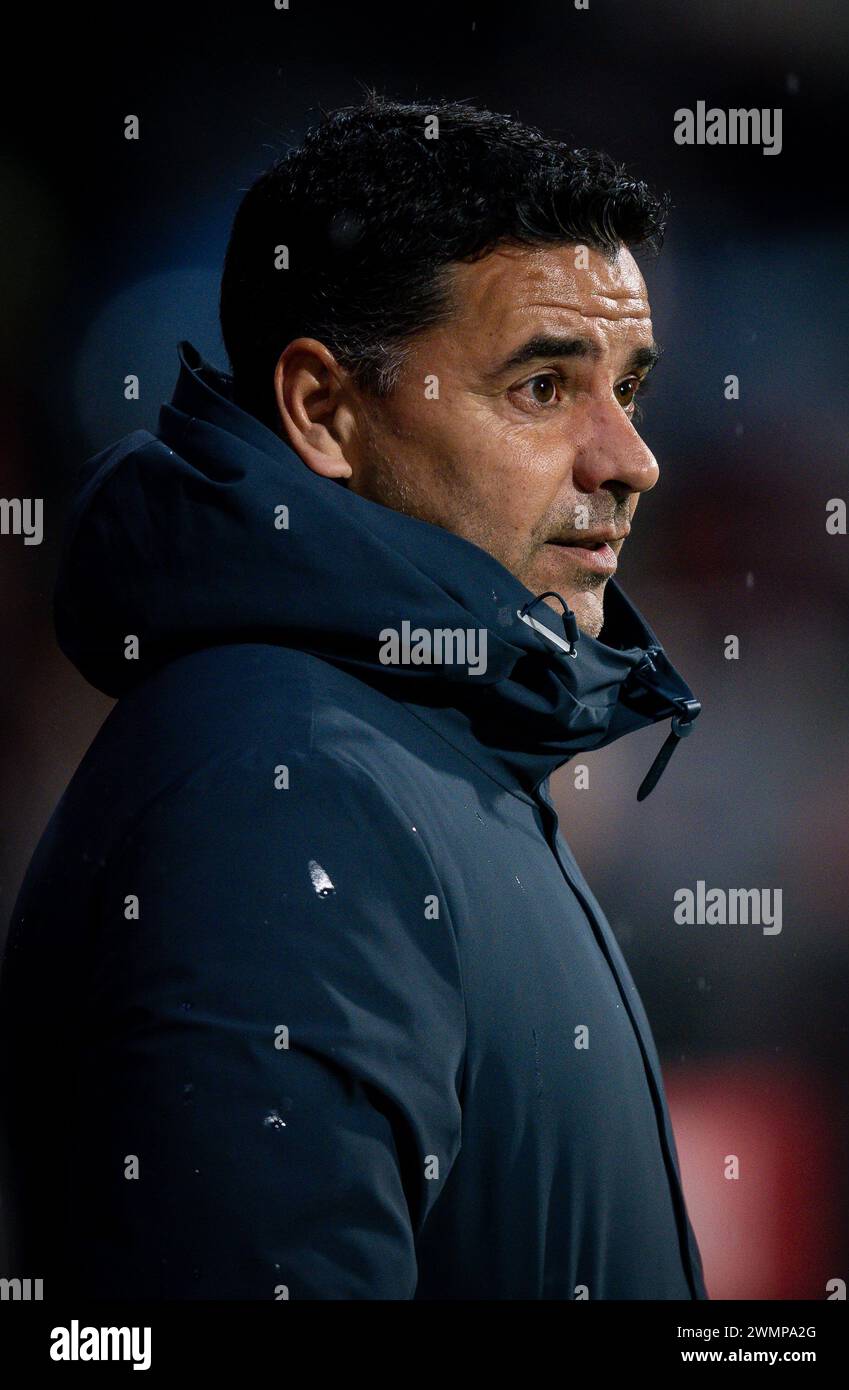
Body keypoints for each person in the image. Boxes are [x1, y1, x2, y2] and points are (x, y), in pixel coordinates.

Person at [0, 95, 706, 1299]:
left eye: (626, 390)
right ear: (323, 410)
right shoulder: (279, 793)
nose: (627, 458)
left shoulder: (412, 739)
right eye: (542, 387)